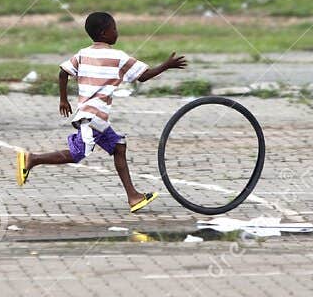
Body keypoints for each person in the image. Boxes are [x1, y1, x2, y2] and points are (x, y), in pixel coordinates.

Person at [15, 11, 187, 212]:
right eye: (114, 28)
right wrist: (167, 65)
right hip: (92, 117)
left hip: (95, 117)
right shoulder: (118, 57)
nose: (117, 32)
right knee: (78, 153)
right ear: (105, 33)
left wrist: (63, 99)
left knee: (118, 146)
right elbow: (143, 76)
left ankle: (133, 197)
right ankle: (32, 159)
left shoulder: (82, 54)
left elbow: (63, 73)